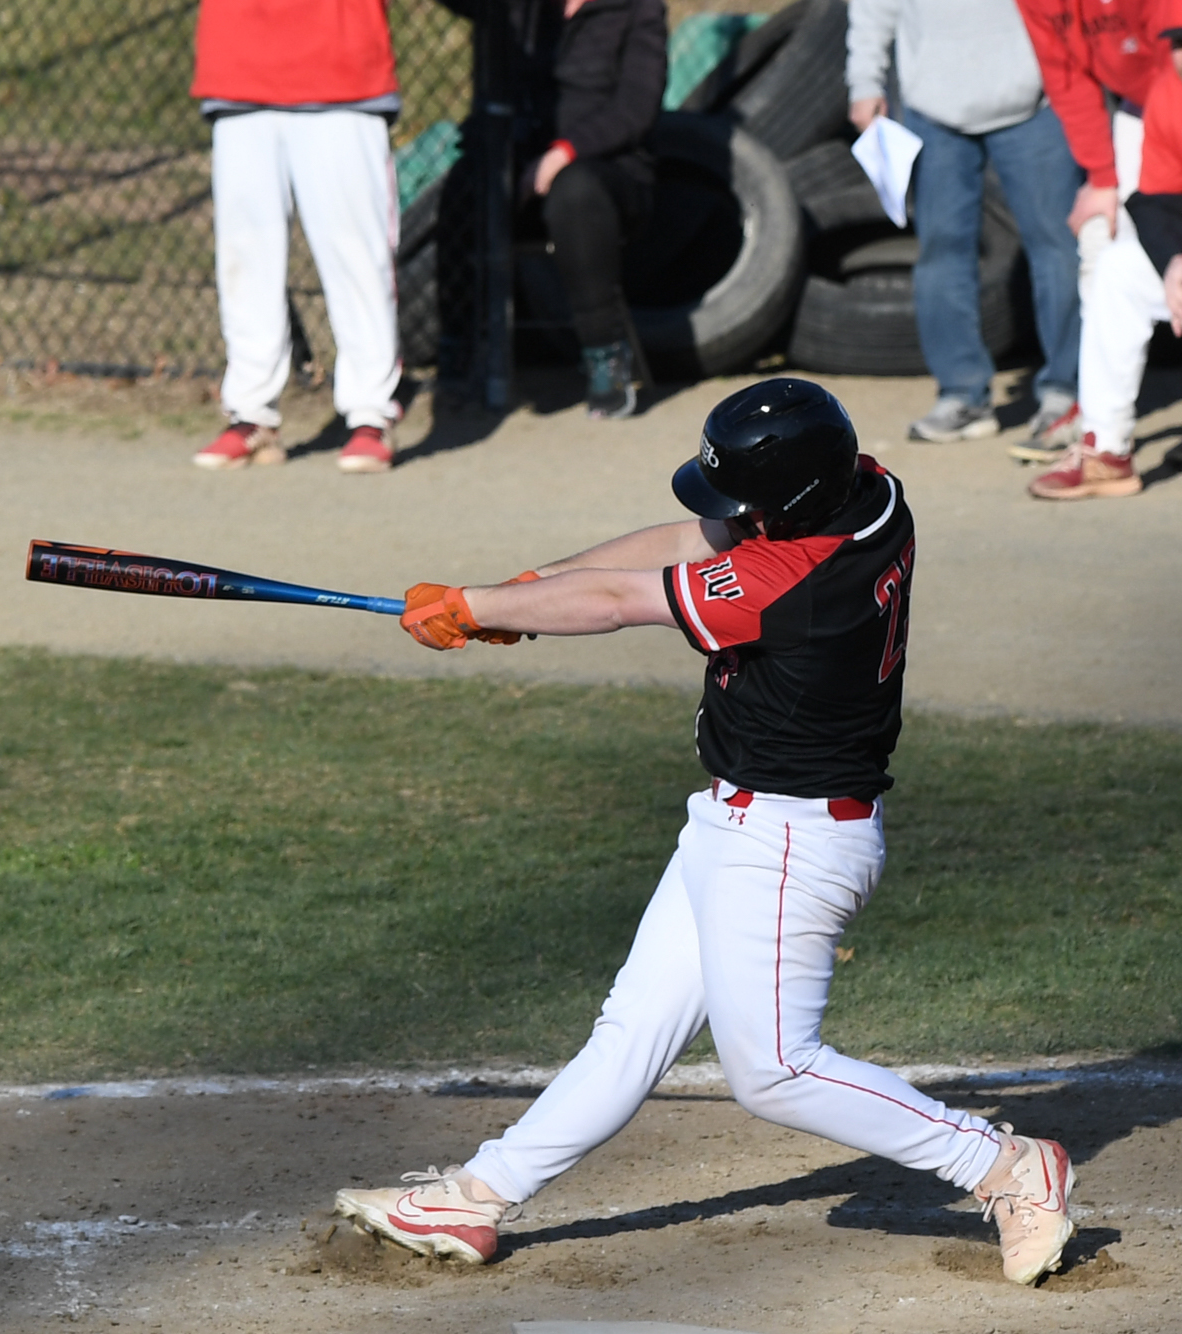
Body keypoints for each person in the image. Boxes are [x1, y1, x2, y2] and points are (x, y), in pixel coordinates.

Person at [331, 378, 1078, 1287]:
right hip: (733, 825)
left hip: (792, 845)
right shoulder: (870, 496)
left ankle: (1005, 1167)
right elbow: (685, 541)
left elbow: (617, 602)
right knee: (633, 1030)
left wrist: (479, 610)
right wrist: (526, 590)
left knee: (771, 1070)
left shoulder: (790, 584)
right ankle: (477, 1196)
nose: (732, 516)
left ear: (792, 500)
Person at [847, 0, 1083, 449]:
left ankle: (1066, 395)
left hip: (1037, 98)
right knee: (941, 252)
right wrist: (864, 80)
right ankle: (962, 396)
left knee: (1059, 246)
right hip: (930, 106)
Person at [188, 0, 405, 474]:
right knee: (246, 258)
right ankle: (251, 414)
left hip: (343, 71)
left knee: (357, 255)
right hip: (239, 68)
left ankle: (371, 414)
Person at [1010, 0, 1169, 468]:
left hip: (1174, 99)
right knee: (1100, 244)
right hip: (1138, 109)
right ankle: (1103, 432)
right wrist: (1102, 176)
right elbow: (1066, 77)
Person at [523, 0, 668, 418]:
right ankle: (459, 356)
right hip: (528, 164)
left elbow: (636, 108)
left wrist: (564, 153)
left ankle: (605, 355)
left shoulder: (639, 9)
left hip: (611, 173)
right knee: (468, 184)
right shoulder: (525, 12)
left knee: (576, 193)